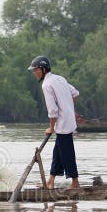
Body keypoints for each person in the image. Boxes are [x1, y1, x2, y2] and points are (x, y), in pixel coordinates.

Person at [29, 55, 80, 189]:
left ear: (43, 69)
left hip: (62, 124)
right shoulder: (59, 79)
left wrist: (51, 127)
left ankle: (75, 183)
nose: (34, 73)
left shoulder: (46, 84)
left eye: (36, 70)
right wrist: (68, 108)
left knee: (67, 152)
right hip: (67, 121)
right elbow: (75, 94)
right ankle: (50, 181)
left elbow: (52, 111)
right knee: (58, 151)